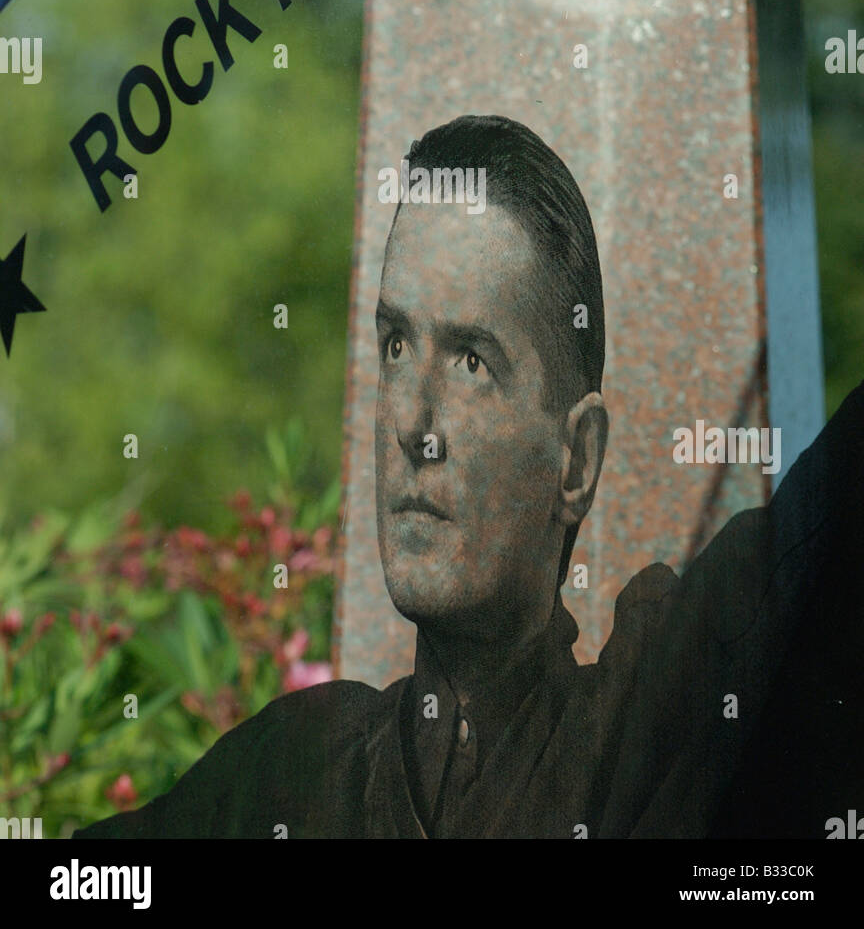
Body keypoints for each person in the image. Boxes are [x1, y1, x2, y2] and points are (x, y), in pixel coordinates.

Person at [74, 114, 864, 840]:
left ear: (578, 459)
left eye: (471, 362)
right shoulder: (287, 776)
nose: (412, 424)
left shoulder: (651, 728)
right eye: (395, 345)